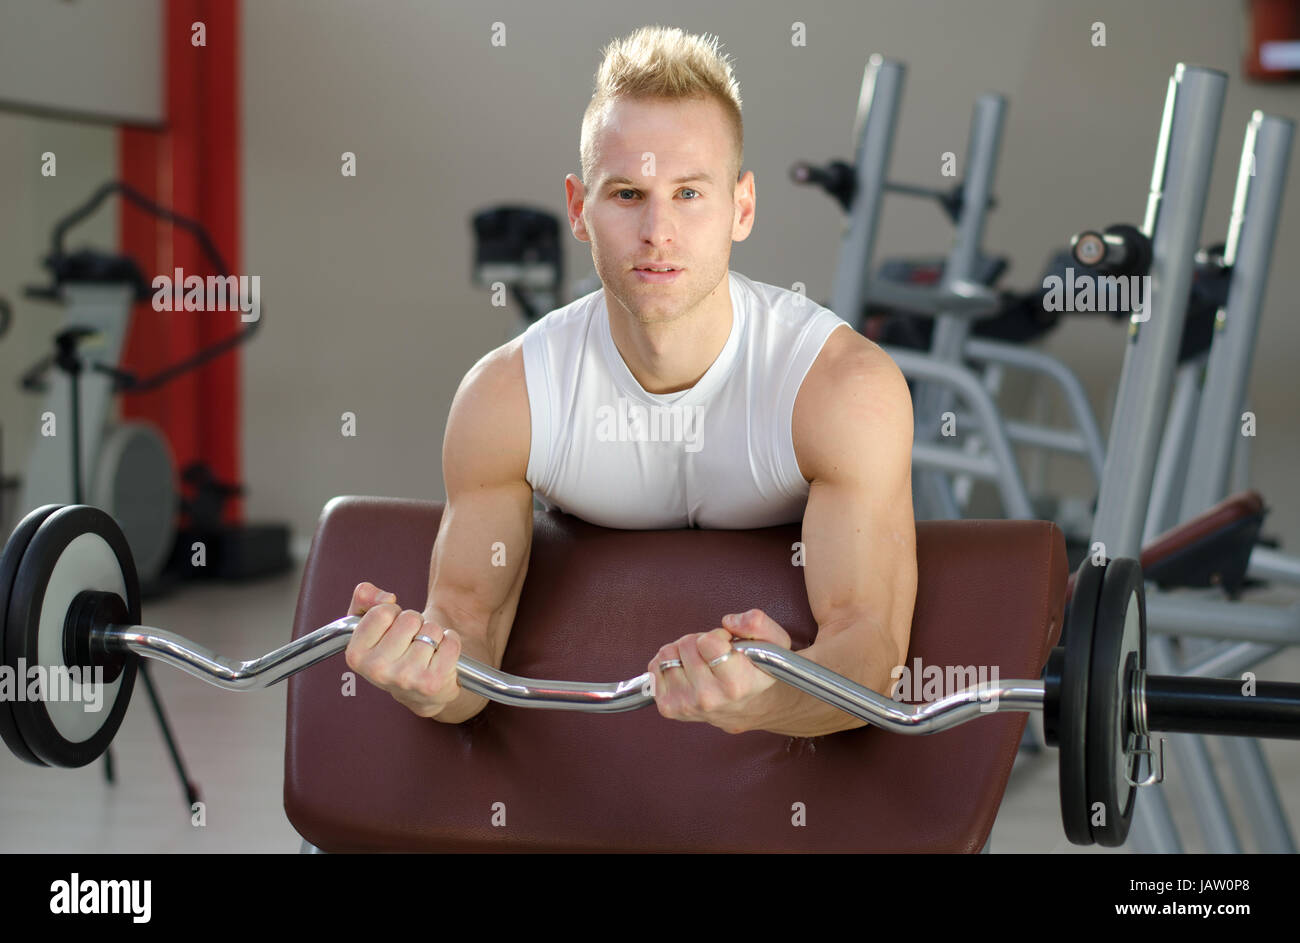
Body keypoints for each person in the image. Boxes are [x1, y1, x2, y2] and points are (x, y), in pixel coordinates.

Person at [345, 25, 917, 737]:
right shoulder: (507, 399)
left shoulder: (840, 390)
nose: (658, 230)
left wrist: (769, 698)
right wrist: (426, 681)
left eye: (687, 192)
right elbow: (467, 643)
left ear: (742, 206)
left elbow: (872, 652)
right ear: (579, 209)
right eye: (626, 194)